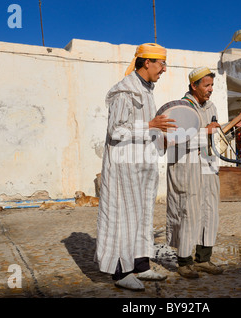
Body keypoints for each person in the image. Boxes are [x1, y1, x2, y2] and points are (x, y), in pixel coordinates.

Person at [95, 43, 177, 291]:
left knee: (141, 218)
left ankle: (141, 266)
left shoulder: (147, 91)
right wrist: (150, 125)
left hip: (141, 169)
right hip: (124, 170)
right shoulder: (125, 93)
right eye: (161, 63)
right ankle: (121, 272)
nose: (163, 69)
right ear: (147, 62)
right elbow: (116, 130)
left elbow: (147, 129)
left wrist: (161, 136)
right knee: (122, 219)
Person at [166, 66, 224, 278]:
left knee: (209, 207)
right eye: (206, 85)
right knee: (188, 209)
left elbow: (212, 131)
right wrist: (205, 131)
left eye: (212, 85)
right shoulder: (182, 107)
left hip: (207, 161)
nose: (210, 89)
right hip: (186, 163)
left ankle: (204, 258)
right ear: (194, 86)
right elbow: (176, 137)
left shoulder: (210, 106)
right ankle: (184, 262)